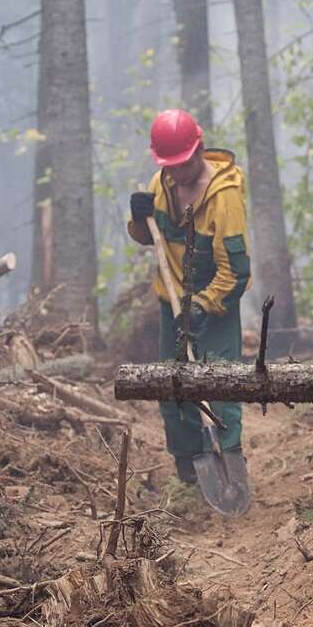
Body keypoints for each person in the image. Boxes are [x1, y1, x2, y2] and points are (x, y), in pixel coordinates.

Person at [125, 109, 250, 486]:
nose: (178, 173)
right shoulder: (160, 185)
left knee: (220, 382)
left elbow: (237, 271)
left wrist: (203, 306)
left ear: (199, 148)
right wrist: (138, 219)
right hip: (172, 302)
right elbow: (149, 237)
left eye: (183, 163)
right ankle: (188, 464)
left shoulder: (225, 196)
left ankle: (229, 460)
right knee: (173, 383)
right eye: (170, 166)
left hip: (217, 305)